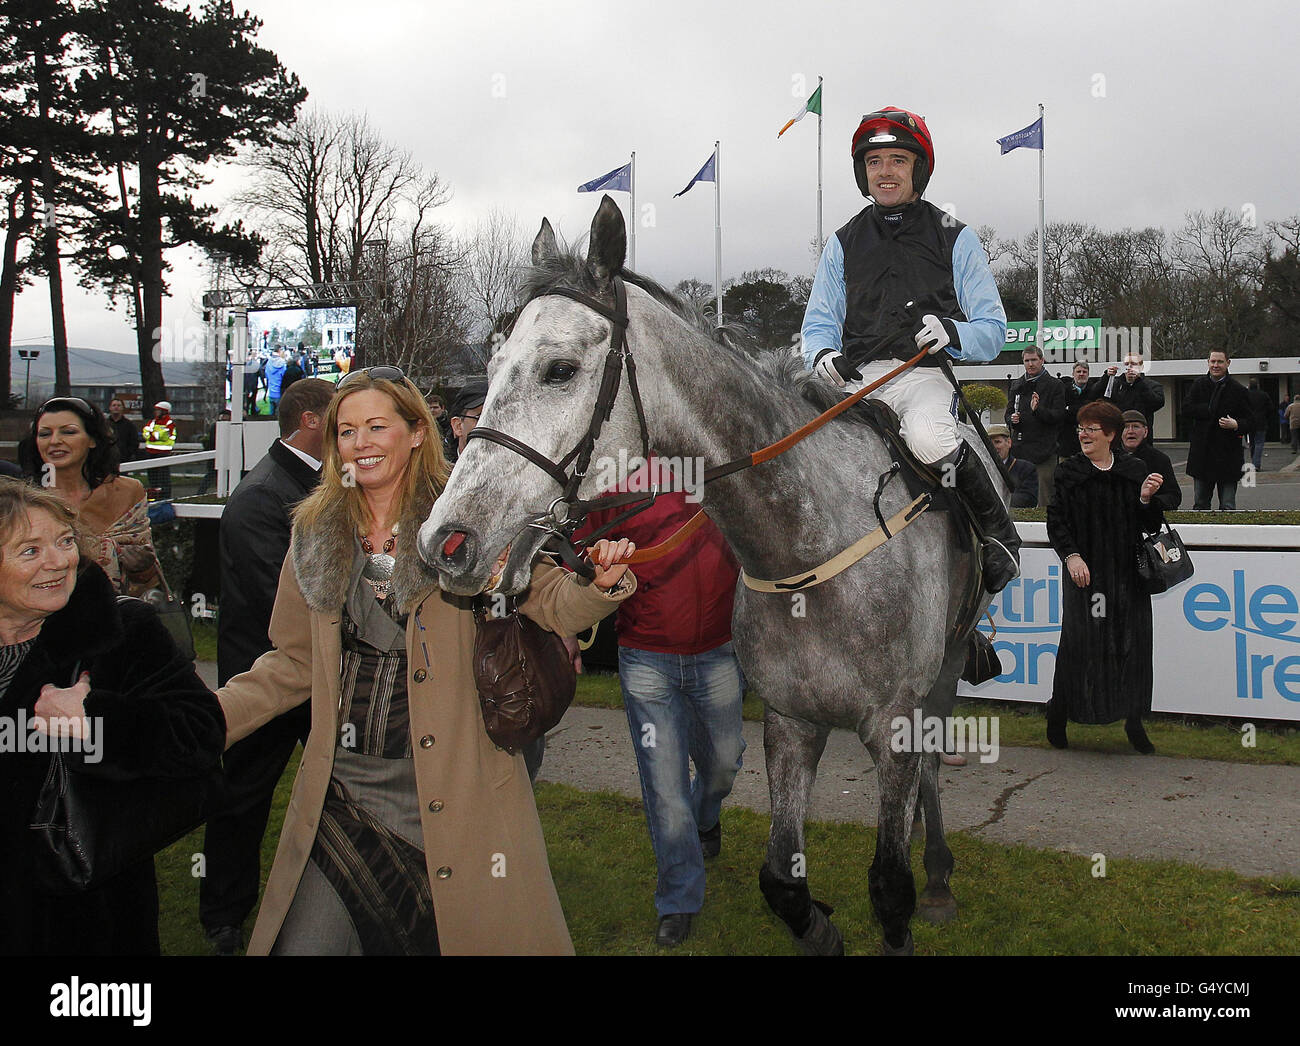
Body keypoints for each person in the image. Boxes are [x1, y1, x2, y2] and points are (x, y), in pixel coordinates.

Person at [215, 367, 638, 955]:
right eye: (346, 431)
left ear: (417, 432)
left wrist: (601, 586)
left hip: (456, 787)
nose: (360, 443)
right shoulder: (314, 533)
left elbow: (547, 602)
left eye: (376, 426)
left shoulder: (467, 520)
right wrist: (209, 717)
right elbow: (291, 662)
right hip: (347, 792)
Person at [0, 480, 224, 955]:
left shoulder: (120, 633)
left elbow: (201, 734)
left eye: (64, 541)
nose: (59, 561)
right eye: (30, 550)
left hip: (84, 918)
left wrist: (96, 722)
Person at [801, 105, 1018, 593]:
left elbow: (994, 329)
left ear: (917, 168)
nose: (886, 172)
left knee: (931, 440)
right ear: (864, 173)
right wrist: (821, 355)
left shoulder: (957, 237)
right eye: (875, 162)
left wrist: (954, 332)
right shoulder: (841, 242)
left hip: (922, 376)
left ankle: (998, 534)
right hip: (856, 380)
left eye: (898, 160)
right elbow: (817, 323)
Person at [574, 457, 745, 947]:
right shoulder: (611, 473)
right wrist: (595, 561)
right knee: (665, 787)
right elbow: (577, 554)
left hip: (719, 650)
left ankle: (705, 819)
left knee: (723, 765)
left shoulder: (717, 460)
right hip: (646, 655)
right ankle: (678, 898)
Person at [200, 378, 336, 955]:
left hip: (312, 676)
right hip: (270, 677)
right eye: (340, 419)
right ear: (309, 420)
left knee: (338, 790)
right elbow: (278, 596)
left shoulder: (314, 482)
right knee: (241, 801)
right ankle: (225, 917)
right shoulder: (263, 495)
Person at [1047, 401, 1166, 754]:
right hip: (1085, 575)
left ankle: (1134, 722)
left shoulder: (1134, 469)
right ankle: (1059, 714)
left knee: (1132, 646)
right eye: (1081, 429)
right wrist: (1071, 556)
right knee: (1079, 647)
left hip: (1127, 575)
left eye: (1091, 429)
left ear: (1110, 435)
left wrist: (1145, 499)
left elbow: (1151, 526)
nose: (1083, 435)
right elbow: (1056, 520)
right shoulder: (1068, 472)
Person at [18, 397, 169, 599]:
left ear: (93, 439)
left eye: (68, 432)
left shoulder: (128, 492)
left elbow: (148, 578)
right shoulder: (25, 500)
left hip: (117, 618)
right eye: (45, 434)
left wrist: (142, 568)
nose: (54, 441)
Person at [1182, 350, 1253, 511]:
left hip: (1228, 456)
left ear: (1228, 363)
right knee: (1200, 504)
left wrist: (1236, 424)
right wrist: (1207, 410)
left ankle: (1229, 535)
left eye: (1220, 362)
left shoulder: (1238, 390)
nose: (1215, 365)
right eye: (1213, 361)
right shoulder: (1198, 386)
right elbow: (1186, 409)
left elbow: (1252, 421)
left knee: (1228, 506)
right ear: (1208, 362)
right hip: (1202, 455)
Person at [1006, 346, 1066, 509]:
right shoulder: (1017, 384)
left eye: (1034, 360)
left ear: (1042, 360)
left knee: (1044, 501)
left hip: (1044, 452)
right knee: (1017, 499)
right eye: (1027, 360)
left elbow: (1059, 416)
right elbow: (1008, 413)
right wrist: (1012, 419)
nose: (1030, 364)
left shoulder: (1055, 385)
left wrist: (1038, 410)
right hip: (1020, 451)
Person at [1083, 352, 1164, 429]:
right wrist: (1106, 377)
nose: (1129, 367)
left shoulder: (1152, 385)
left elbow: (1157, 403)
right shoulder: (1116, 384)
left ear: (1141, 367)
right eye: (1126, 364)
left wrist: (1139, 383)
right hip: (1118, 431)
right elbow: (1093, 396)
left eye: (1133, 364)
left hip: (1142, 434)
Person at [1121, 410, 1182, 512]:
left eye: (1136, 426)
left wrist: (1149, 500)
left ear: (1145, 432)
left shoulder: (1159, 459)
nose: (1130, 431)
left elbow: (1174, 496)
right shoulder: (1109, 457)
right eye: (1126, 427)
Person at [988, 424, 1037, 508]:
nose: (993, 447)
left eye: (997, 442)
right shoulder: (980, 468)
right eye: (989, 443)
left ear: (1009, 442)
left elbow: (1030, 499)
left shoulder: (1026, 468)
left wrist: (994, 499)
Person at [142, 400, 177, 500]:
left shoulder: (169, 423)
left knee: (163, 478)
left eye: (158, 410)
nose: (156, 412)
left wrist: (152, 435)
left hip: (163, 453)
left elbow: (164, 434)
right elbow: (145, 431)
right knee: (152, 478)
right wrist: (151, 435)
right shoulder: (153, 422)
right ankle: (154, 497)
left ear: (164, 411)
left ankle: (164, 497)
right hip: (150, 453)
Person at [1058, 361, 1091, 460]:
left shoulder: (1093, 390)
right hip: (1066, 445)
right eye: (1078, 371)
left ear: (1088, 374)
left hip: (1088, 446)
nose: (1081, 374)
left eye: (1084, 372)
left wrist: (1070, 408)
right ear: (1073, 374)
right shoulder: (1063, 390)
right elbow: (1060, 412)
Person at [1244, 378, 1272, 472]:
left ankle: (1253, 460)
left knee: (1252, 443)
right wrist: (1266, 416)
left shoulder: (1246, 395)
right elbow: (1270, 408)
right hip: (1261, 422)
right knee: (1259, 443)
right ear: (1258, 385)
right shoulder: (1264, 395)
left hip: (1250, 422)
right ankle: (1256, 464)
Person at [107, 398, 141, 462]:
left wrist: (128, 454)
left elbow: (134, 442)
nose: (116, 407)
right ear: (110, 408)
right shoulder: (105, 424)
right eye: (114, 405)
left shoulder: (129, 425)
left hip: (124, 459)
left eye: (119, 405)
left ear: (122, 408)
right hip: (107, 459)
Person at [265, 349, 288, 417]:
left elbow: (266, 374)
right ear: (279, 351)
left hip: (271, 392)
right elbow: (285, 376)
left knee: (270, 416)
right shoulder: (282, 363)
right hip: (279, 392)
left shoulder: (268, 363)